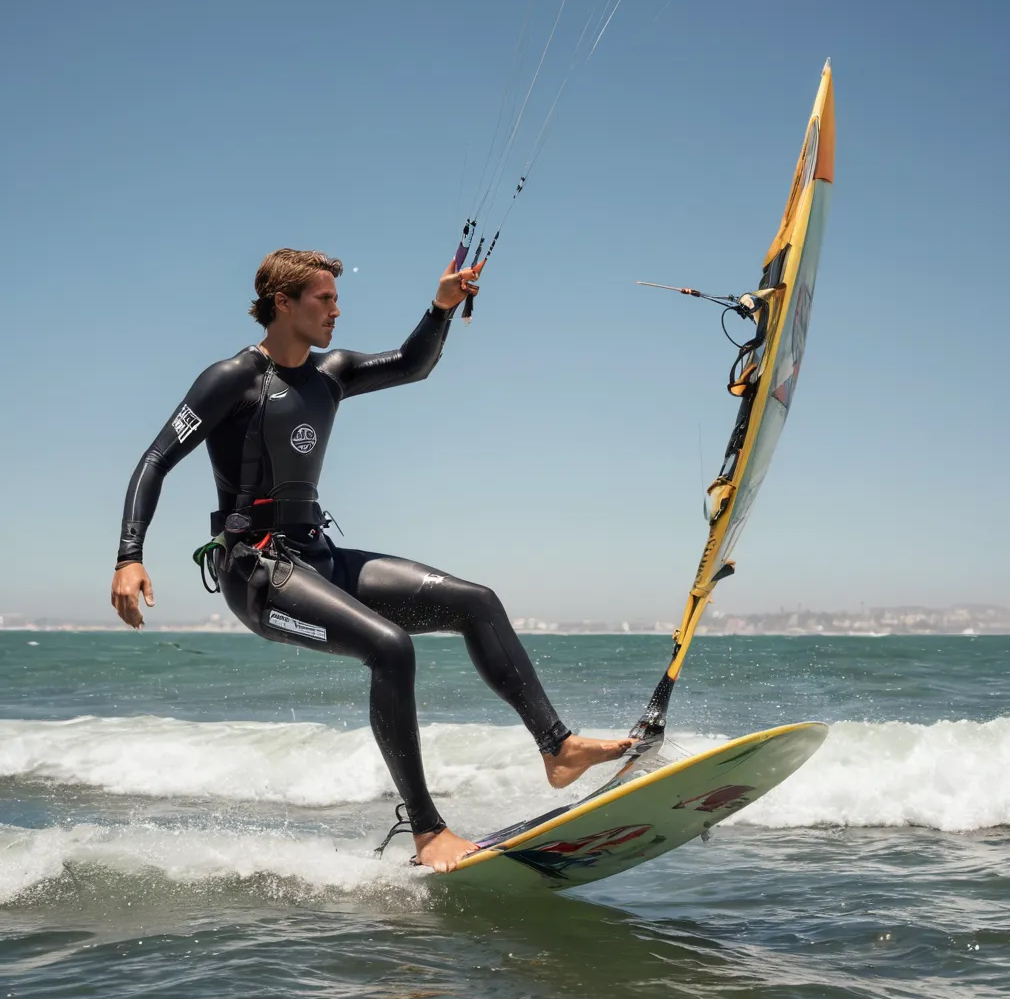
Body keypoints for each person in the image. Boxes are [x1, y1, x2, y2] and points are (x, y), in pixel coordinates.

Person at [110, 249, 634, 871]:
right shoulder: (231, 378)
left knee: (475, 601)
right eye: (323, 299)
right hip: (257, 573)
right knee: (390, 646)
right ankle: (428, 831)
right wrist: (129, 555)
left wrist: (441, 307)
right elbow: (155, 459)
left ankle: (558, 748)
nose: (336, 310)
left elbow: (413, 364)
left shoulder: (331, 372)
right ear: (283, 304)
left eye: (335, 298)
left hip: (317, 558)